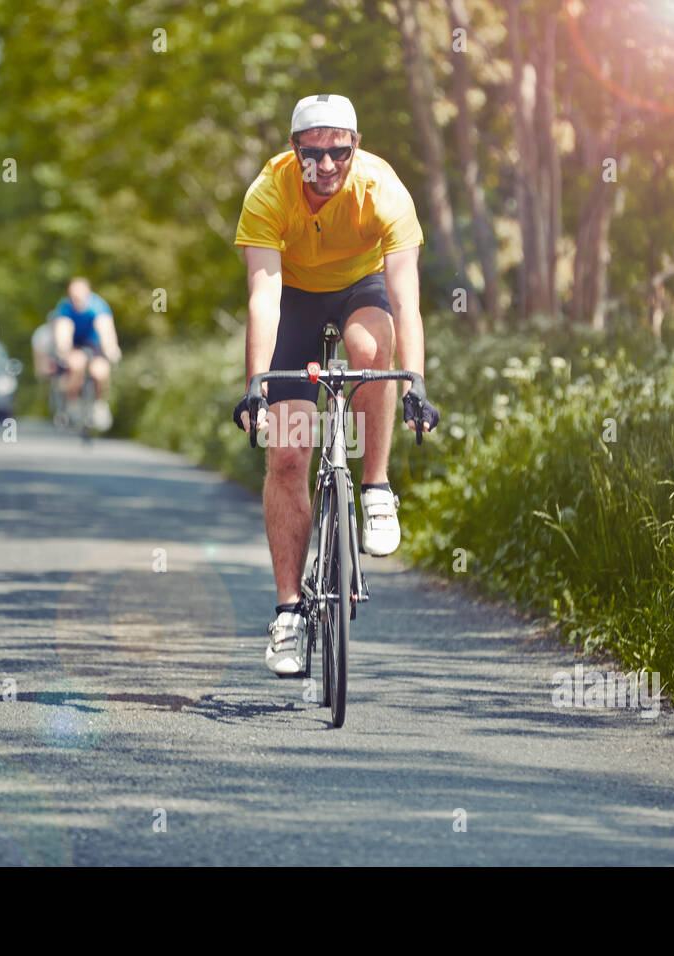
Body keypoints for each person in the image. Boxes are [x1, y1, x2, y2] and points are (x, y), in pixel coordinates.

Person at [232, 93, 440, 676]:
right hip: (293, 301)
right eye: (314, 154)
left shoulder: (384, 191)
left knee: (372, 349)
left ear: (356, 148)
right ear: (294, 149)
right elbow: (263, 295)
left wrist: (416, 381)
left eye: (339, 153)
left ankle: (374, 487)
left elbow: (406, 301)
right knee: (290, 455)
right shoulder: (267, 193)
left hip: (360, 289)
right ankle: (289, 613)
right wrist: (257, 383)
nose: (327, 166)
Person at [51, 277, 121, 431]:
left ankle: (99, 404)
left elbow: (106, 329)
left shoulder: (98, 305)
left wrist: (111, 348)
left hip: (95, 344)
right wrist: (63, 349)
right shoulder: (65, 307)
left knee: (100, 372)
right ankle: (72, 403)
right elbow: (63, 330)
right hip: (75, 345)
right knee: (76, 365)